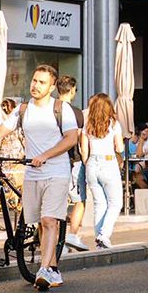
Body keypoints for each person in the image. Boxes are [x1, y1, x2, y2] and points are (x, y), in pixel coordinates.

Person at [0, 64, 79, 291]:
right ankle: (53, 269)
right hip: (32, 173)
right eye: (34, 80)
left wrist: (45, 155)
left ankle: (44, 270)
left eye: (42, 82)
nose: (35, 85)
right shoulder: (22, 110)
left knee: (49, 220)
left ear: (51, 87)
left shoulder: (61, 109)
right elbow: (0, 131)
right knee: (40, 222)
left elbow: (71, 139)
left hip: (56, 172)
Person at [80, 93, 124, 249]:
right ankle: (104, 235)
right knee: (116, 203)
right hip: (108, 162)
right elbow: (120, 148)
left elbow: (84, 150)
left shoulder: (87, 125)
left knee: (99, 204)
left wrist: (88, 164)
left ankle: (99, 240)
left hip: (91, 163)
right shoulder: (114, 124)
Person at [55, 76, 90, 251]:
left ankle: (54, 240)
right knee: (80, 199)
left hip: (52, 159)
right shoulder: (77, 113)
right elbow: (79, 140)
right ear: (73, 90)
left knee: (55, 202)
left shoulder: (51, 109)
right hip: (73, 160)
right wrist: (86, 160)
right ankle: (72, 235)